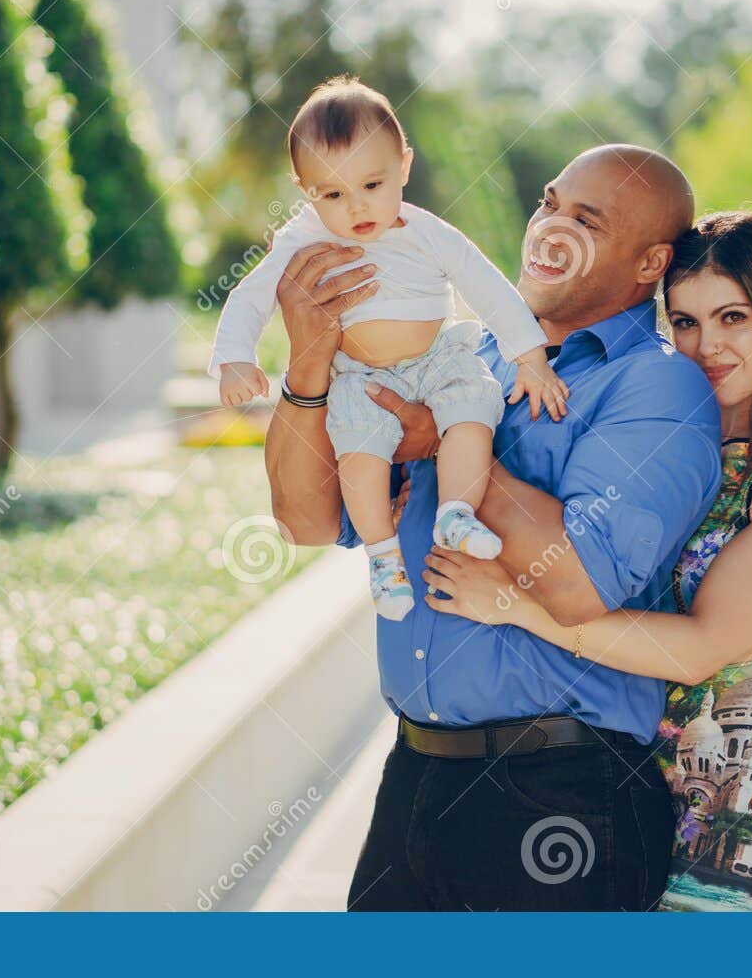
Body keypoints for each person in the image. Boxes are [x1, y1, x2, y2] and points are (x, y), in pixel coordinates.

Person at [266, 144, 721, 910]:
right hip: (413, 780)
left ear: (650, 263)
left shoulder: (657, 385)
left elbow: (579, 580)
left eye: (586, 220)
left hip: (560, 796)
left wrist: (444, 439)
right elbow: (304, 518)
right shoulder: (455, 353)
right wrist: (309, 360)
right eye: (549, 203)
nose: (550, 228)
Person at [424, 211, 752, 912]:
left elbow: (697, 651)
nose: (706, 345)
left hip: (747, 806)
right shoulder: (670, 437)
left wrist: (514, 604)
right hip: (638, 777)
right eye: (684, 321)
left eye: (733, 318)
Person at [210, 75, 567, 621]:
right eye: (332, 194)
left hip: (437, 358)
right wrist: (235, 358)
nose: (356, 207)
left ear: (403, 166)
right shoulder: (303, 237)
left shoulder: (427, 232)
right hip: (361, 375)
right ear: (305, 191)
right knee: (360, 452)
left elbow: (487, 287)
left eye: (372, 184)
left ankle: (456, 511)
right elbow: (251, 295)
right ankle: (383, 557)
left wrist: (531, 358)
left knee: (471, 411)